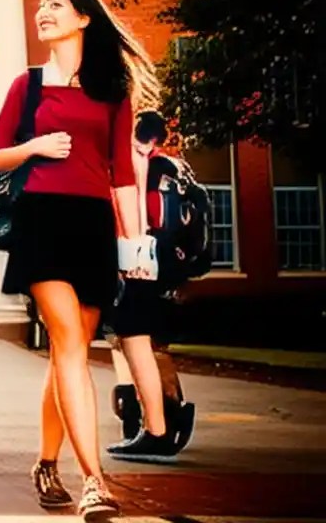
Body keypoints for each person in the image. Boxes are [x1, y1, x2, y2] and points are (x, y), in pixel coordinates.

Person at [0, 0, 159, 521]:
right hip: (41, 220)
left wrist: (133, 242)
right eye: (41, 8)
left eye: (54, 7)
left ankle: (45, 461)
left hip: (91, 226)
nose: (43, 13)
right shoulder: (28, 87)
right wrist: (35, 146)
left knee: (71, 353)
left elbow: (123, 174)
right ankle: (94, 483)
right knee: (66, 341)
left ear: (83, 20)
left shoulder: (113, 89)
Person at [105, 110, 198, 461]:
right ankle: (164, 418)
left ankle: (151, 426)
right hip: (162, 264)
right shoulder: (170, 168)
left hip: (133, 259)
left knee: (129, 338)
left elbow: (123, 209)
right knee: (150, 342)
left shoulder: (126, 159)